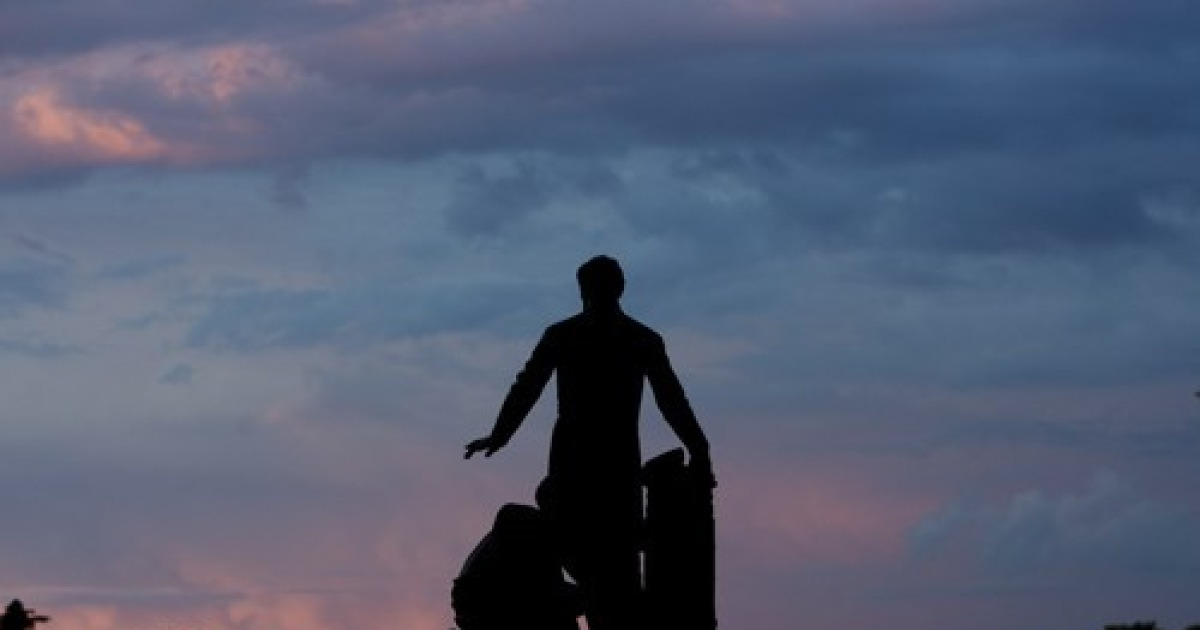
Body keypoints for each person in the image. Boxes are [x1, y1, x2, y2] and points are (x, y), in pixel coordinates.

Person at [465, 255, 713, 630]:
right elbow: (528, 386)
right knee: (603, 570)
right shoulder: (618, 338)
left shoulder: (614, 339)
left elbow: (671, 400)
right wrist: (500, 433)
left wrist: (699, 448)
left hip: (607, 468)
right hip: (587, 467)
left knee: (612, 577)